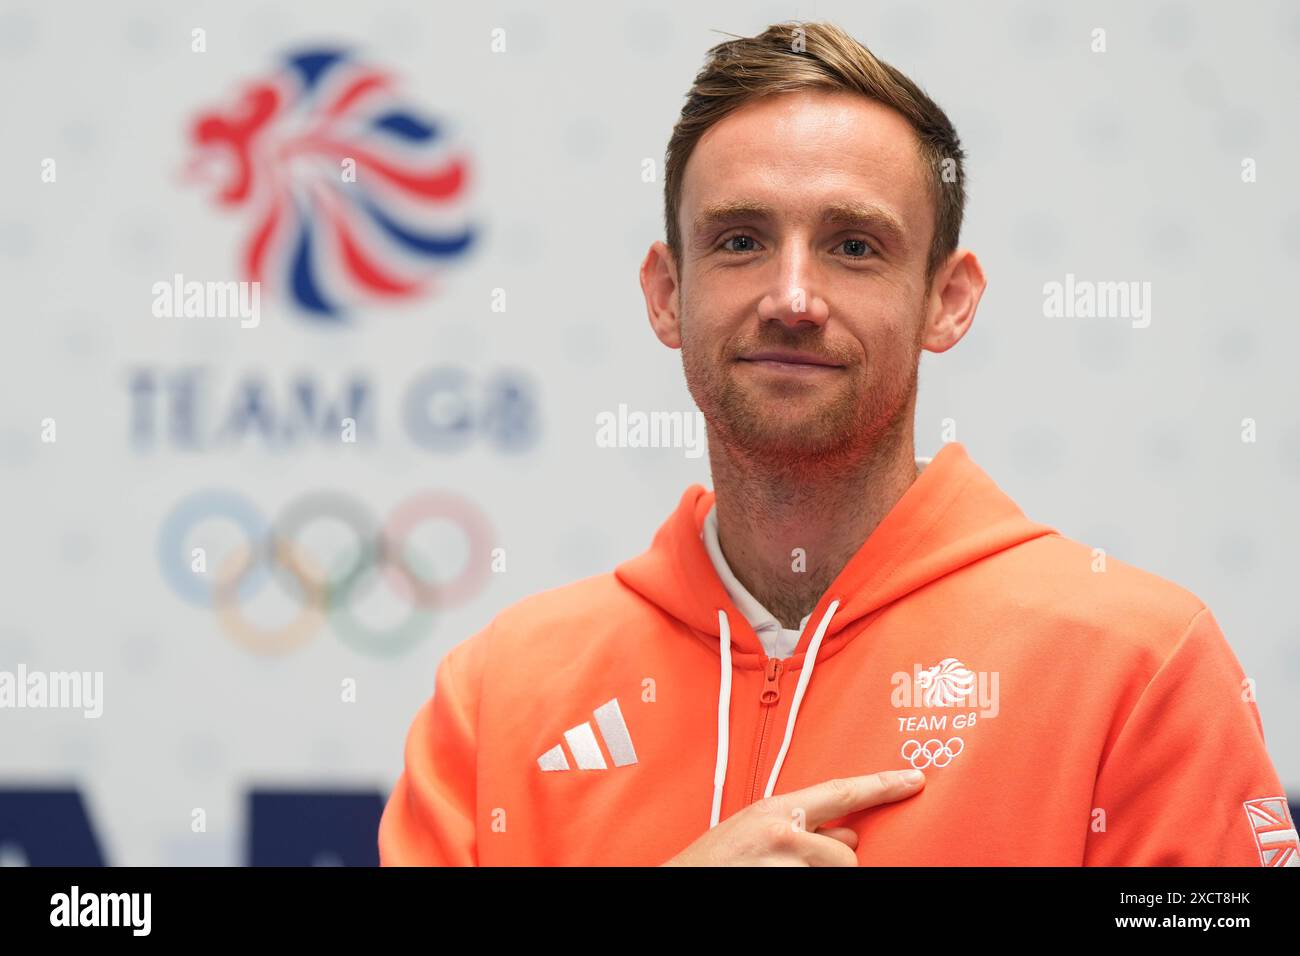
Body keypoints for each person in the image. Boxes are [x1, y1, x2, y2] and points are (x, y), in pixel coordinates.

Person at [378, 20, 1293, 866]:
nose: (792, 298)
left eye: (854, 247)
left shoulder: (1134, 665)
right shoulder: (501, 696)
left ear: (948, 299)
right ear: (667, 294)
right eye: (740, 239)